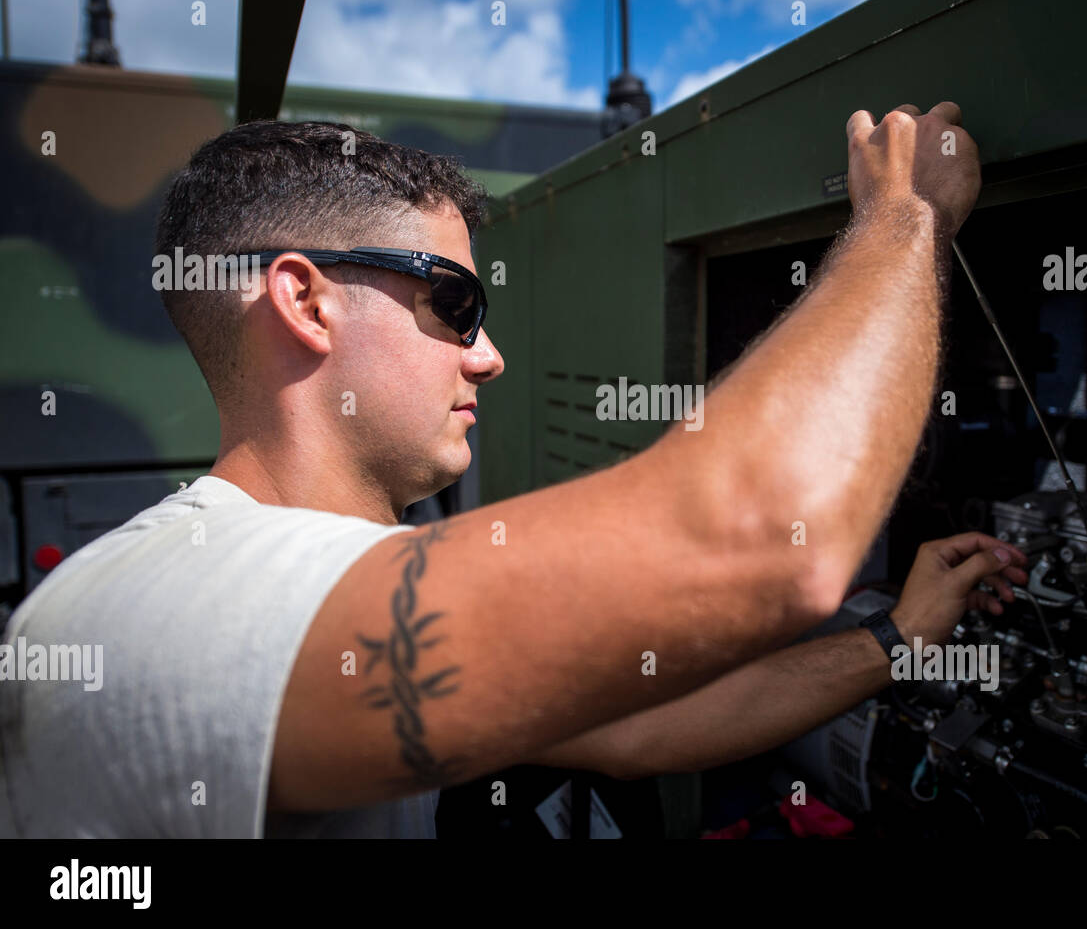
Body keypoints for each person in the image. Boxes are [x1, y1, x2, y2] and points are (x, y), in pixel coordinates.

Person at [0, 105, 1027, 837]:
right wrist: (903, 220)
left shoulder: (333, 573)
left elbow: (640, 722)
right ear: (306, 304)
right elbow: (758, 534)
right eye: (455, 305)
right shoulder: (162, 598)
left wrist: (894, 638)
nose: (487, 355)